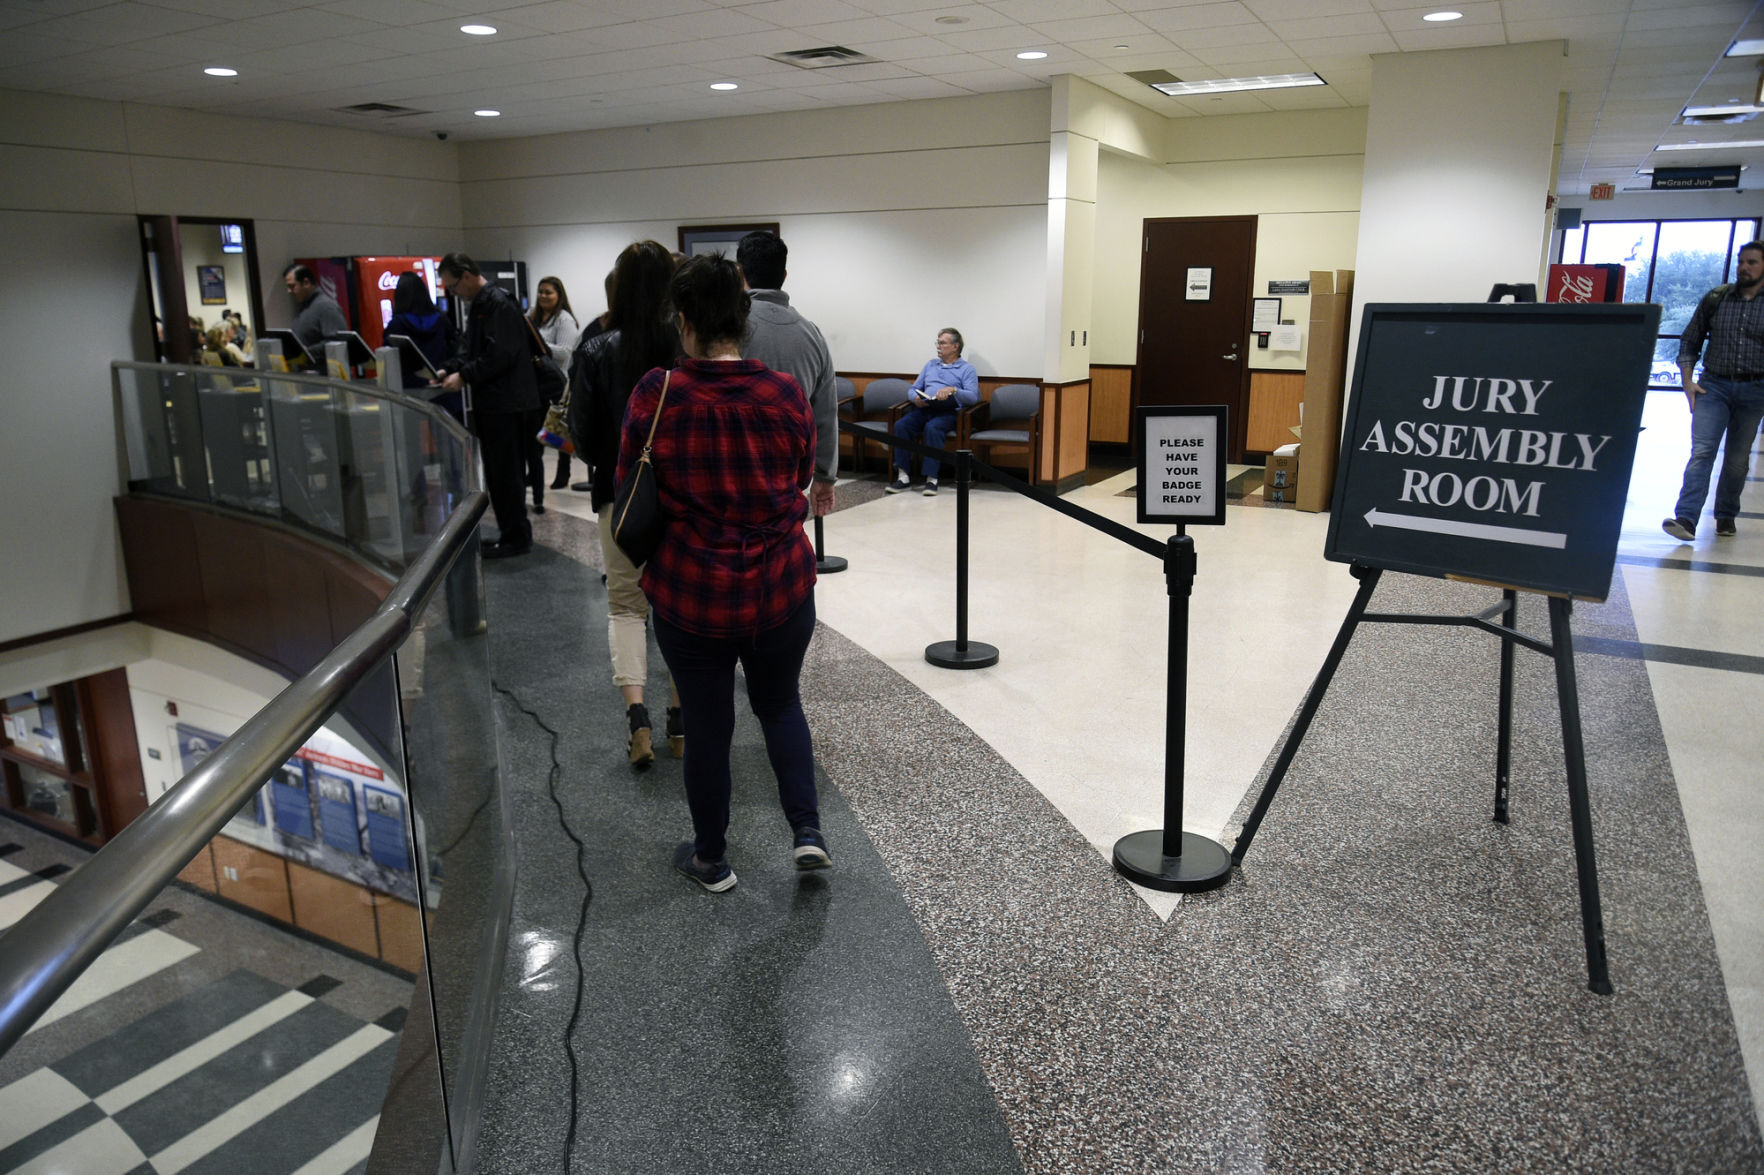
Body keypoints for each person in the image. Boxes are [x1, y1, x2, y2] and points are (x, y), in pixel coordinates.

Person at [618, 253, 827, 893]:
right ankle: (808, 834)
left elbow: (632, 480)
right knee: (780, 704)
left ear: (682, 321)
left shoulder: (659, 394)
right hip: (781, 587)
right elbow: (800, 476)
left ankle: (711, 860)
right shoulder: (785, 393)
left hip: (693, 594)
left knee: (710, 728)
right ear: (744, 319)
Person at [568, 242, 683, 766]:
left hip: (620, 494)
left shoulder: (595, 347)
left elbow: (585, 440)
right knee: (679, 607)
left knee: (625, 605)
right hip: (685, 495)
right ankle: (681, 720)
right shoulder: (686, 346)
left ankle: (638, 722)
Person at [435, 252, 539, 558]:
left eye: (453, 286)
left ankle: (516, 537)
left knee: (507, 474)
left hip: (508, 404)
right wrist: (450, 367)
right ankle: (510, 533)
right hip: (495, 403)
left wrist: (464, 376)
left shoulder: (497, 303)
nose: (453, 293)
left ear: (467, 275)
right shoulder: (481, 304)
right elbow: (472, 349)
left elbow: (501, 354)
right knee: (497, 473)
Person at [1663, 240, 1764, 541]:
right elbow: (1690, 339)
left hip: (1755, 390)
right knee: (1702, 452)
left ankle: (1726, 514)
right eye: (1741, 261)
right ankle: (1687, 519)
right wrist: (1687, 381)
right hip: (1713, 387)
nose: (1744, 267)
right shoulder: (1717, 298)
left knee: (1736, 461)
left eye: (1752, 262)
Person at [736, 230, 838, 516]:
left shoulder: (726, 327)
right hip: (789, 473)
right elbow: (826, 412)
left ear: (740, 272)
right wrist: (825, 476)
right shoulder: (811, 333)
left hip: (731, 472)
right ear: (784, 275)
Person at [888, 327, 979, 496]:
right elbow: (914, 388)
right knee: (901, 426)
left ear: (955, 346)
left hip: (949, 412)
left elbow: (973, 397)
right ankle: (903, 476)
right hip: (925, 407)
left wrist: (953, 390)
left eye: (943, 343)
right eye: (938, 342)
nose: (938, 346)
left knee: (933, 428)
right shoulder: (930, 364)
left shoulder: (966, 369)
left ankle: (931, 479)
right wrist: (914, 398)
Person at [385, 272, 461, 420]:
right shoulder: (442, 319)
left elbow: (388, 358)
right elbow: (456, 349)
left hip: (410, 394)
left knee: (412, 440)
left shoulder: (397, 325)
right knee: (447, 438)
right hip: (443, 389)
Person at [532, 275, 582, 490]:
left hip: (558, 382)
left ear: (558, 295)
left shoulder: (564, 320)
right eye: (541, 291)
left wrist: (539, 346)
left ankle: (563, 473)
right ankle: (533, 471)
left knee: (557, 427)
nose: (543, 296)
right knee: (537, 427)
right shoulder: (532, 317)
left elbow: (565, 352)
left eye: (548, 292)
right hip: (536, 383)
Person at [283, 264, 347, 354]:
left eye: (292, 286)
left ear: (306, 283)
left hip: (322, 367)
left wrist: (308, 352)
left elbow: (337, 342)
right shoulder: (306, 306)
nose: (289, 291)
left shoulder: (326, 307)